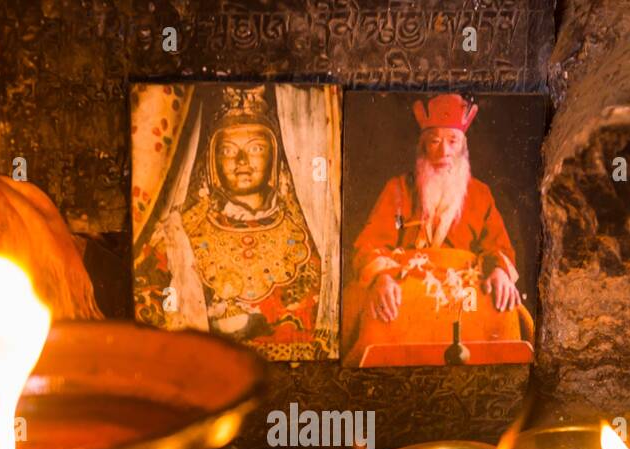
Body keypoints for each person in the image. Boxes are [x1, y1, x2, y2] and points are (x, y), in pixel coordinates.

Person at [134, 86, 330, 360]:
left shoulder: (311, 235)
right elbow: (147, 299)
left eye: (256, 148)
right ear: (213, 163)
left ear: (273, 159)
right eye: (228, 150)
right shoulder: (179, 235)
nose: (242, 162)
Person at [344, 93, 528, 365]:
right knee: (376, 313)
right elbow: (371, 243)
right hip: (407, 288)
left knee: (505, 311)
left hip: (466, 289)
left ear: (463, 148)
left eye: (452, 141)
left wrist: (500, 272)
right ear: (423, 148)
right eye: (435, 141)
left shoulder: (480, 194)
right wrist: (381, 277)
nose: (444, 152)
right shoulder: (398, 188)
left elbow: (498, 245)